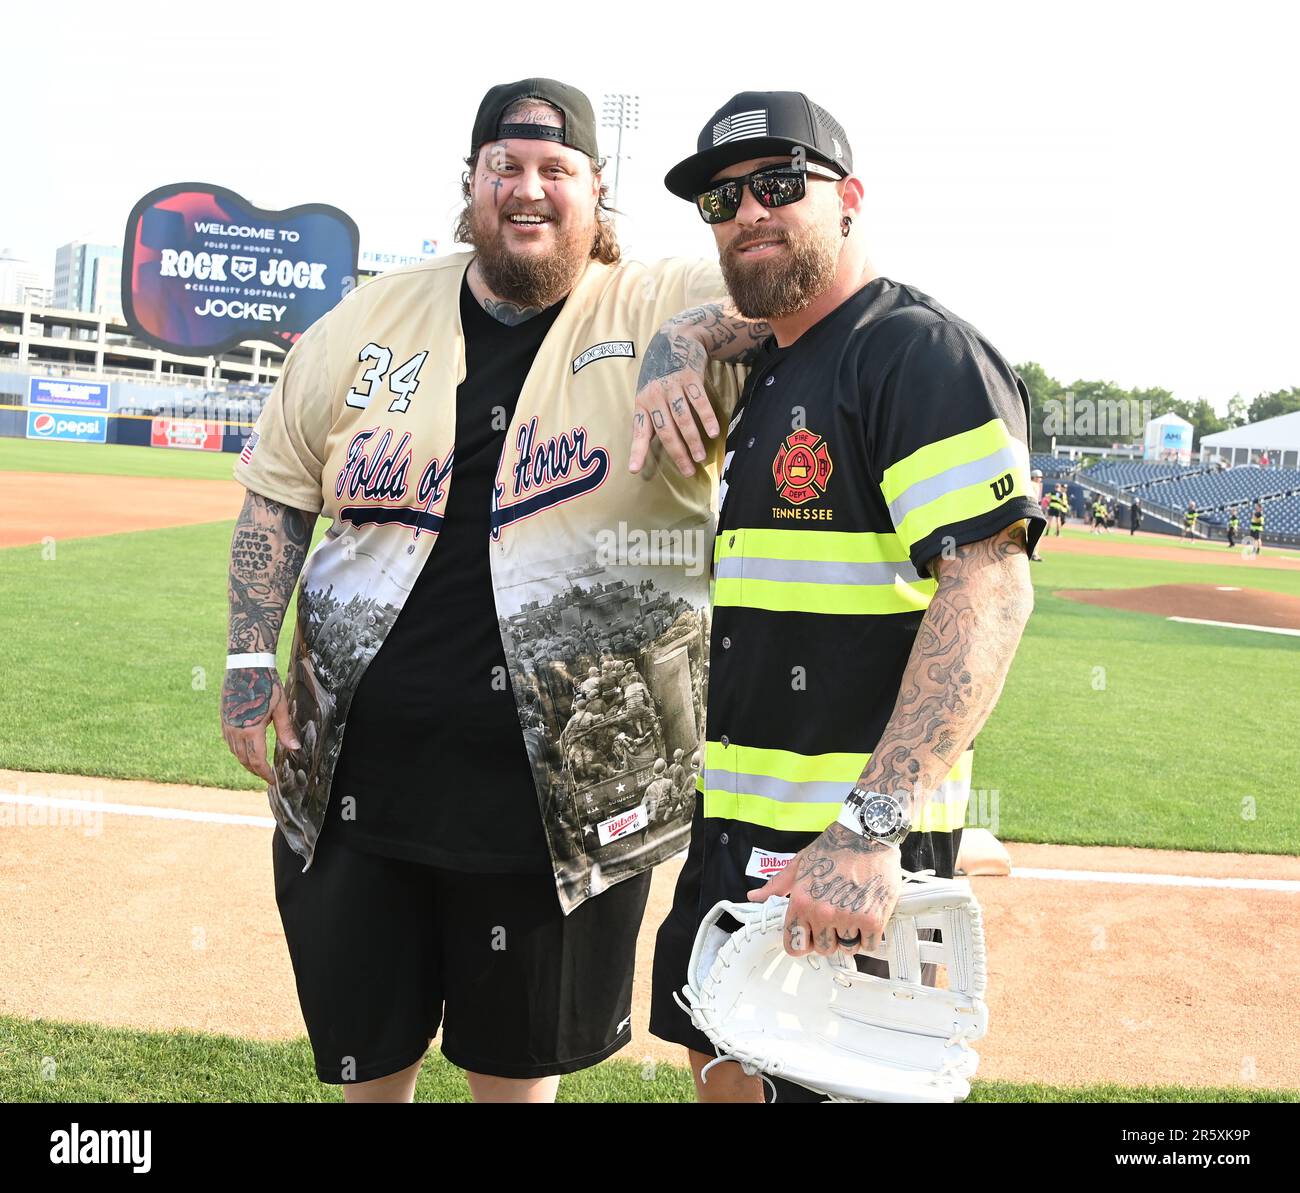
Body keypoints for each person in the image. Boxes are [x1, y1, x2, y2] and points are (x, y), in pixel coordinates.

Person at [220, 78, 747, 1104]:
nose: (528, 189)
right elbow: (278, 497)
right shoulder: (370, 318)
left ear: (599, 190)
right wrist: (248, 666)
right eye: (504, 166)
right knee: (366, 1067)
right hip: (357, 774)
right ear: (469, 184)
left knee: (513, 1079)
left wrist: (690, 344)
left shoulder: (658, 297)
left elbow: (795, 307)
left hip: (565, 790)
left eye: (557, 170)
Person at [632, 90, 1044, 1102]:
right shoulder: (776, 355)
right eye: (721, 200)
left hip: (841, 843)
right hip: (736, 823)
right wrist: (671, 345)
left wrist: (867, 833)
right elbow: (716, 315)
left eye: (779, 184)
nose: (748, 213)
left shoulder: (918, 353)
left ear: (848, 196)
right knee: (725, 1068)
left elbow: (989, 590)